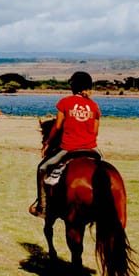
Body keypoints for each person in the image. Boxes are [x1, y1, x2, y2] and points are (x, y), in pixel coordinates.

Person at [31, 71, 101, 218]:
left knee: (42, 168)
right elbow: (95, 132)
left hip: (69, 148)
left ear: (73, 86)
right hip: (92, 149)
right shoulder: (94, 106)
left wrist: (48, 143)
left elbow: (57, 127)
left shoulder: (65, 102)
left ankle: (42, 206)